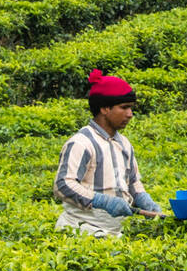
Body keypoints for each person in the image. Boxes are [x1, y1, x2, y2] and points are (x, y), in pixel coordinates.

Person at [53, 69, 163, 238]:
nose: (130, 114)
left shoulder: (124, 144)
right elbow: (63, 184)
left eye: (131, 108)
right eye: (124, 108)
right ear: (104, 108)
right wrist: (101, 201)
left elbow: (132, 181)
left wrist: (144, 199)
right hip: (81, 229)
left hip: (114, 231)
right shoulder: (81, 143)